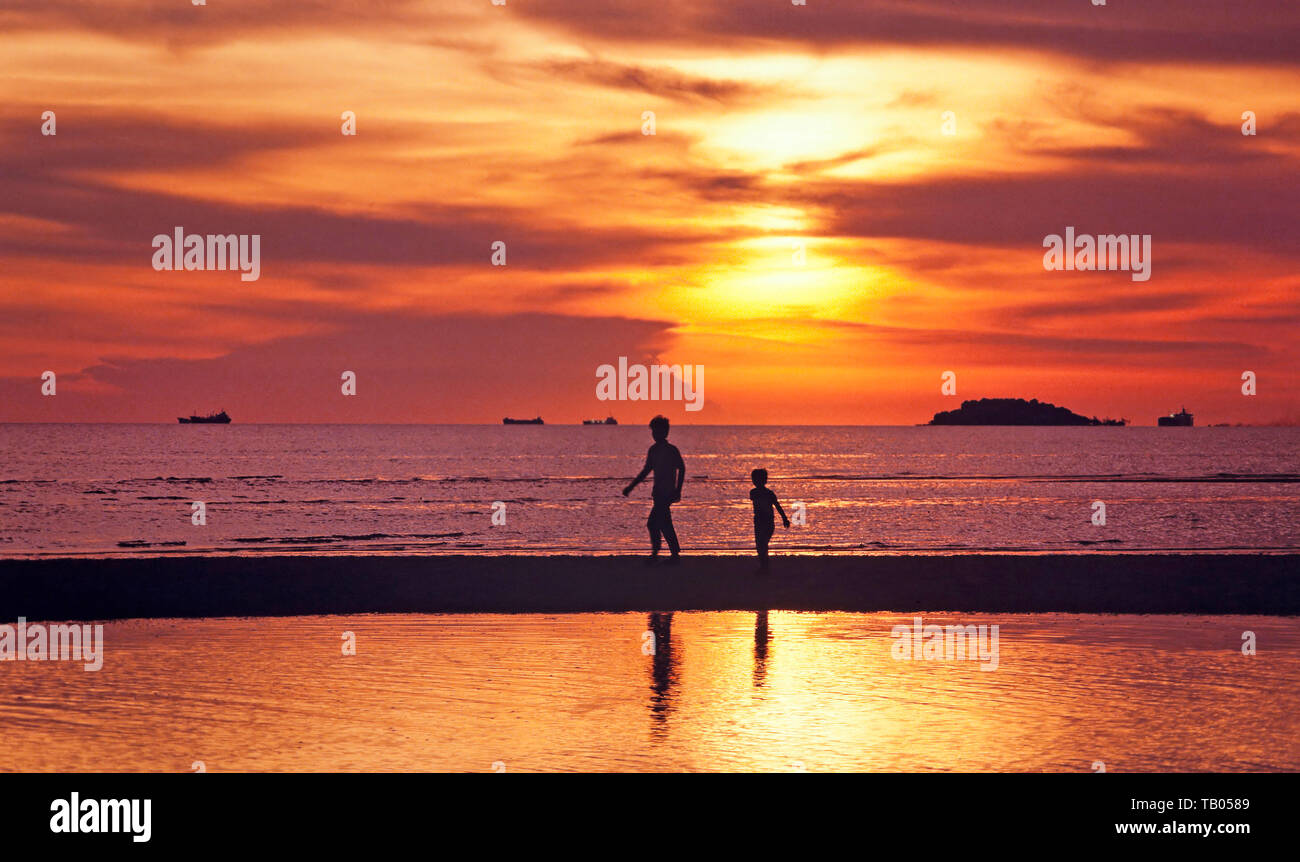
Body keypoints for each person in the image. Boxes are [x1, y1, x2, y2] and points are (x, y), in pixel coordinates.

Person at [623, 415, 685, 563]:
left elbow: (681, 468)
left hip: (667, 492)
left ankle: (662, 553)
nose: (654, 434)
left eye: (657, 431)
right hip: (658, 492)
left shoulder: (671, 450)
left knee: (654, 523)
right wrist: (631, 487)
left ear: (665, 432)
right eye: (653, 431)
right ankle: (672, 553)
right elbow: (646, 471)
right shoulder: (653, 450)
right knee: (663, 522)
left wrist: (678, 490)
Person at [749, 468, 788, 570]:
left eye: (757, 479)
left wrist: (784, 518)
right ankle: (764, 566)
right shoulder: (754, 492)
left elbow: (777, 505)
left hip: (767, 521)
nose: (755, 481)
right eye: (754, 479)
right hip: (758, 522)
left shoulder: (767, 493)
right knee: (760, 545)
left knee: (763, 544)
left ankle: (765, 567)